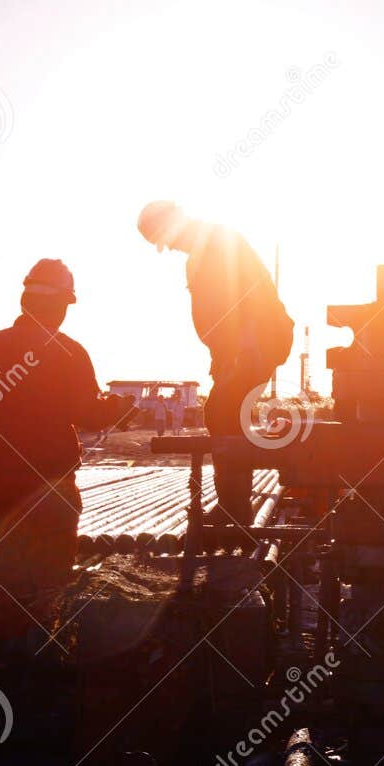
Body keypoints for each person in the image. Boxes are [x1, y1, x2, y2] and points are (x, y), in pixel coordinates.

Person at [0, 259, 127, 654]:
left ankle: (15, 658)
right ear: (61, 305)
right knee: (50, 579)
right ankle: (42, 659)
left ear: (25, 300)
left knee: (6, 580)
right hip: (50, 489)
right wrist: (120, 408)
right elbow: (87, 413)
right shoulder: (68, 353)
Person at [137, 202, 293, 530]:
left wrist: (244, 349)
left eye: (166, 240)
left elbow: (249, 295)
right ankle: (233, 507)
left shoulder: (220, 243)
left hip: (256, 343)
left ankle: (234, 510)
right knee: (224, 413)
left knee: (223, 411)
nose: (171, 249)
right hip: (240, 348)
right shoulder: (201, 253)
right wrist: (223, 356)